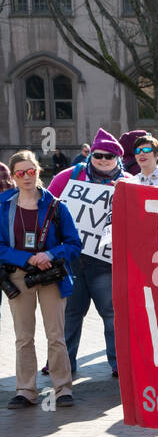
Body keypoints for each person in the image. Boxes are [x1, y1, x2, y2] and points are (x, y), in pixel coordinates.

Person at [1, 151, 83, 408]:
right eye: (20, 173)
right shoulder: (3, 205)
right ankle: (26, 390)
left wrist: (49, 253)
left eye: (31, 171)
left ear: (38, 171)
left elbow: (73, 244)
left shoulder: (57, 206)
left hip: (51, 275)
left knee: (55, 334)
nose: (27, 177)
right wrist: (25, 259)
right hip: (18, 276)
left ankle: (63, 389)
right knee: (24, 336)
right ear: (13, 177)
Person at [44, 128, 125, 380]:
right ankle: (62, 363)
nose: (102, 160)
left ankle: (118, 364)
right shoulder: (67, 176)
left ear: (117, 159)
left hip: (106, 260)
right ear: (90, 155)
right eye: (98, 155)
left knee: (112, 314)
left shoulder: (128, 182)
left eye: (108, 157)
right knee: (70, 313)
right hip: (72, 259)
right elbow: (47, 208)